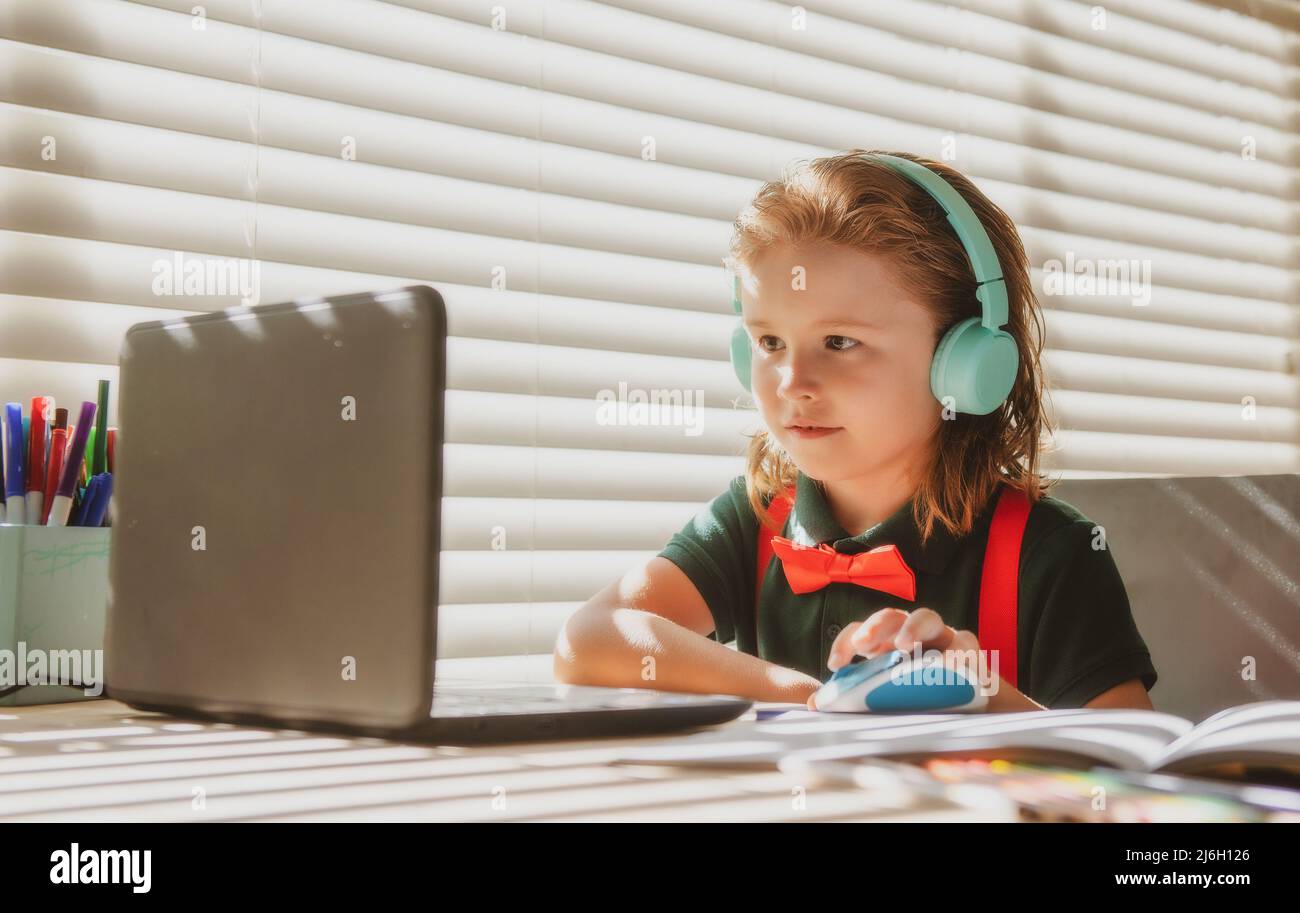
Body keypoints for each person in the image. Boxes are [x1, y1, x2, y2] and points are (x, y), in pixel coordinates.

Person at [554, 149, 1157, 712]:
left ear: (965, 362)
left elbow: (1139, 775)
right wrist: (811, 700)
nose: (793, 381)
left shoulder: (1053, 555)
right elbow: (587, 640)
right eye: (769, 342)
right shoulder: (755, 518)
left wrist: (986, 702)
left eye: (840, 342)